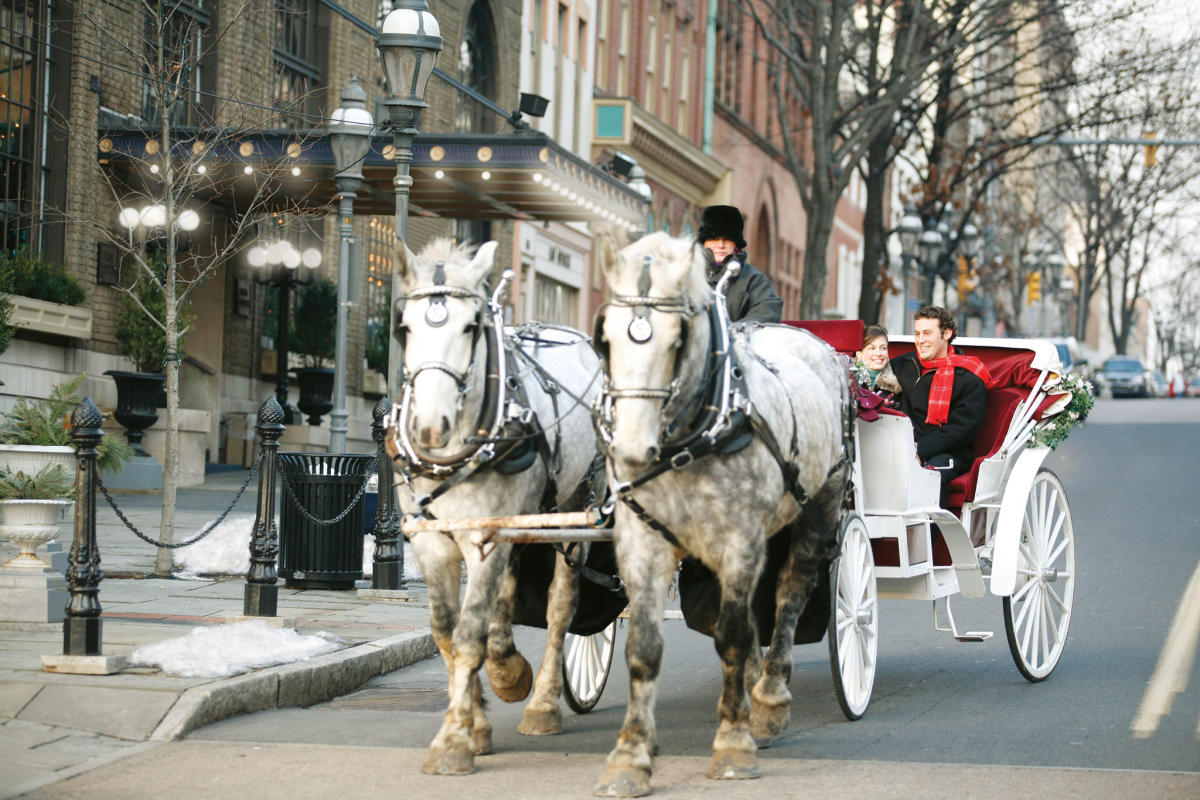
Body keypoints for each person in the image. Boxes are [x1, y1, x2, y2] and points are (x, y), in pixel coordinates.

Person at [890, 306, 991, 504]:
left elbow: (961, 430)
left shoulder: (969, 378)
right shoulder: (901, 365)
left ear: (946, 333)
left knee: (929, 478)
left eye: (927, 333)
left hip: (948, 453)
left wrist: (918, 451)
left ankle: (929, 534)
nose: (920, 340)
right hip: (901, 446)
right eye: (917, 333)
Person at [696, 205, 782, 324]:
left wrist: (734, 331)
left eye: (727, 239)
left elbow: (767, 311)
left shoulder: (754, 279)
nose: (721, 245)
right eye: (714, 239)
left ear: (736, 243)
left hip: (736, 341)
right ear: (704, 242)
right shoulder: (687, 273)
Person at [854, 324, 901, 394]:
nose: (879, 353)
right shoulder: (849, 381)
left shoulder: (899, 380)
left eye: (883, 348)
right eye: (872, 348)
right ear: (859, 353)